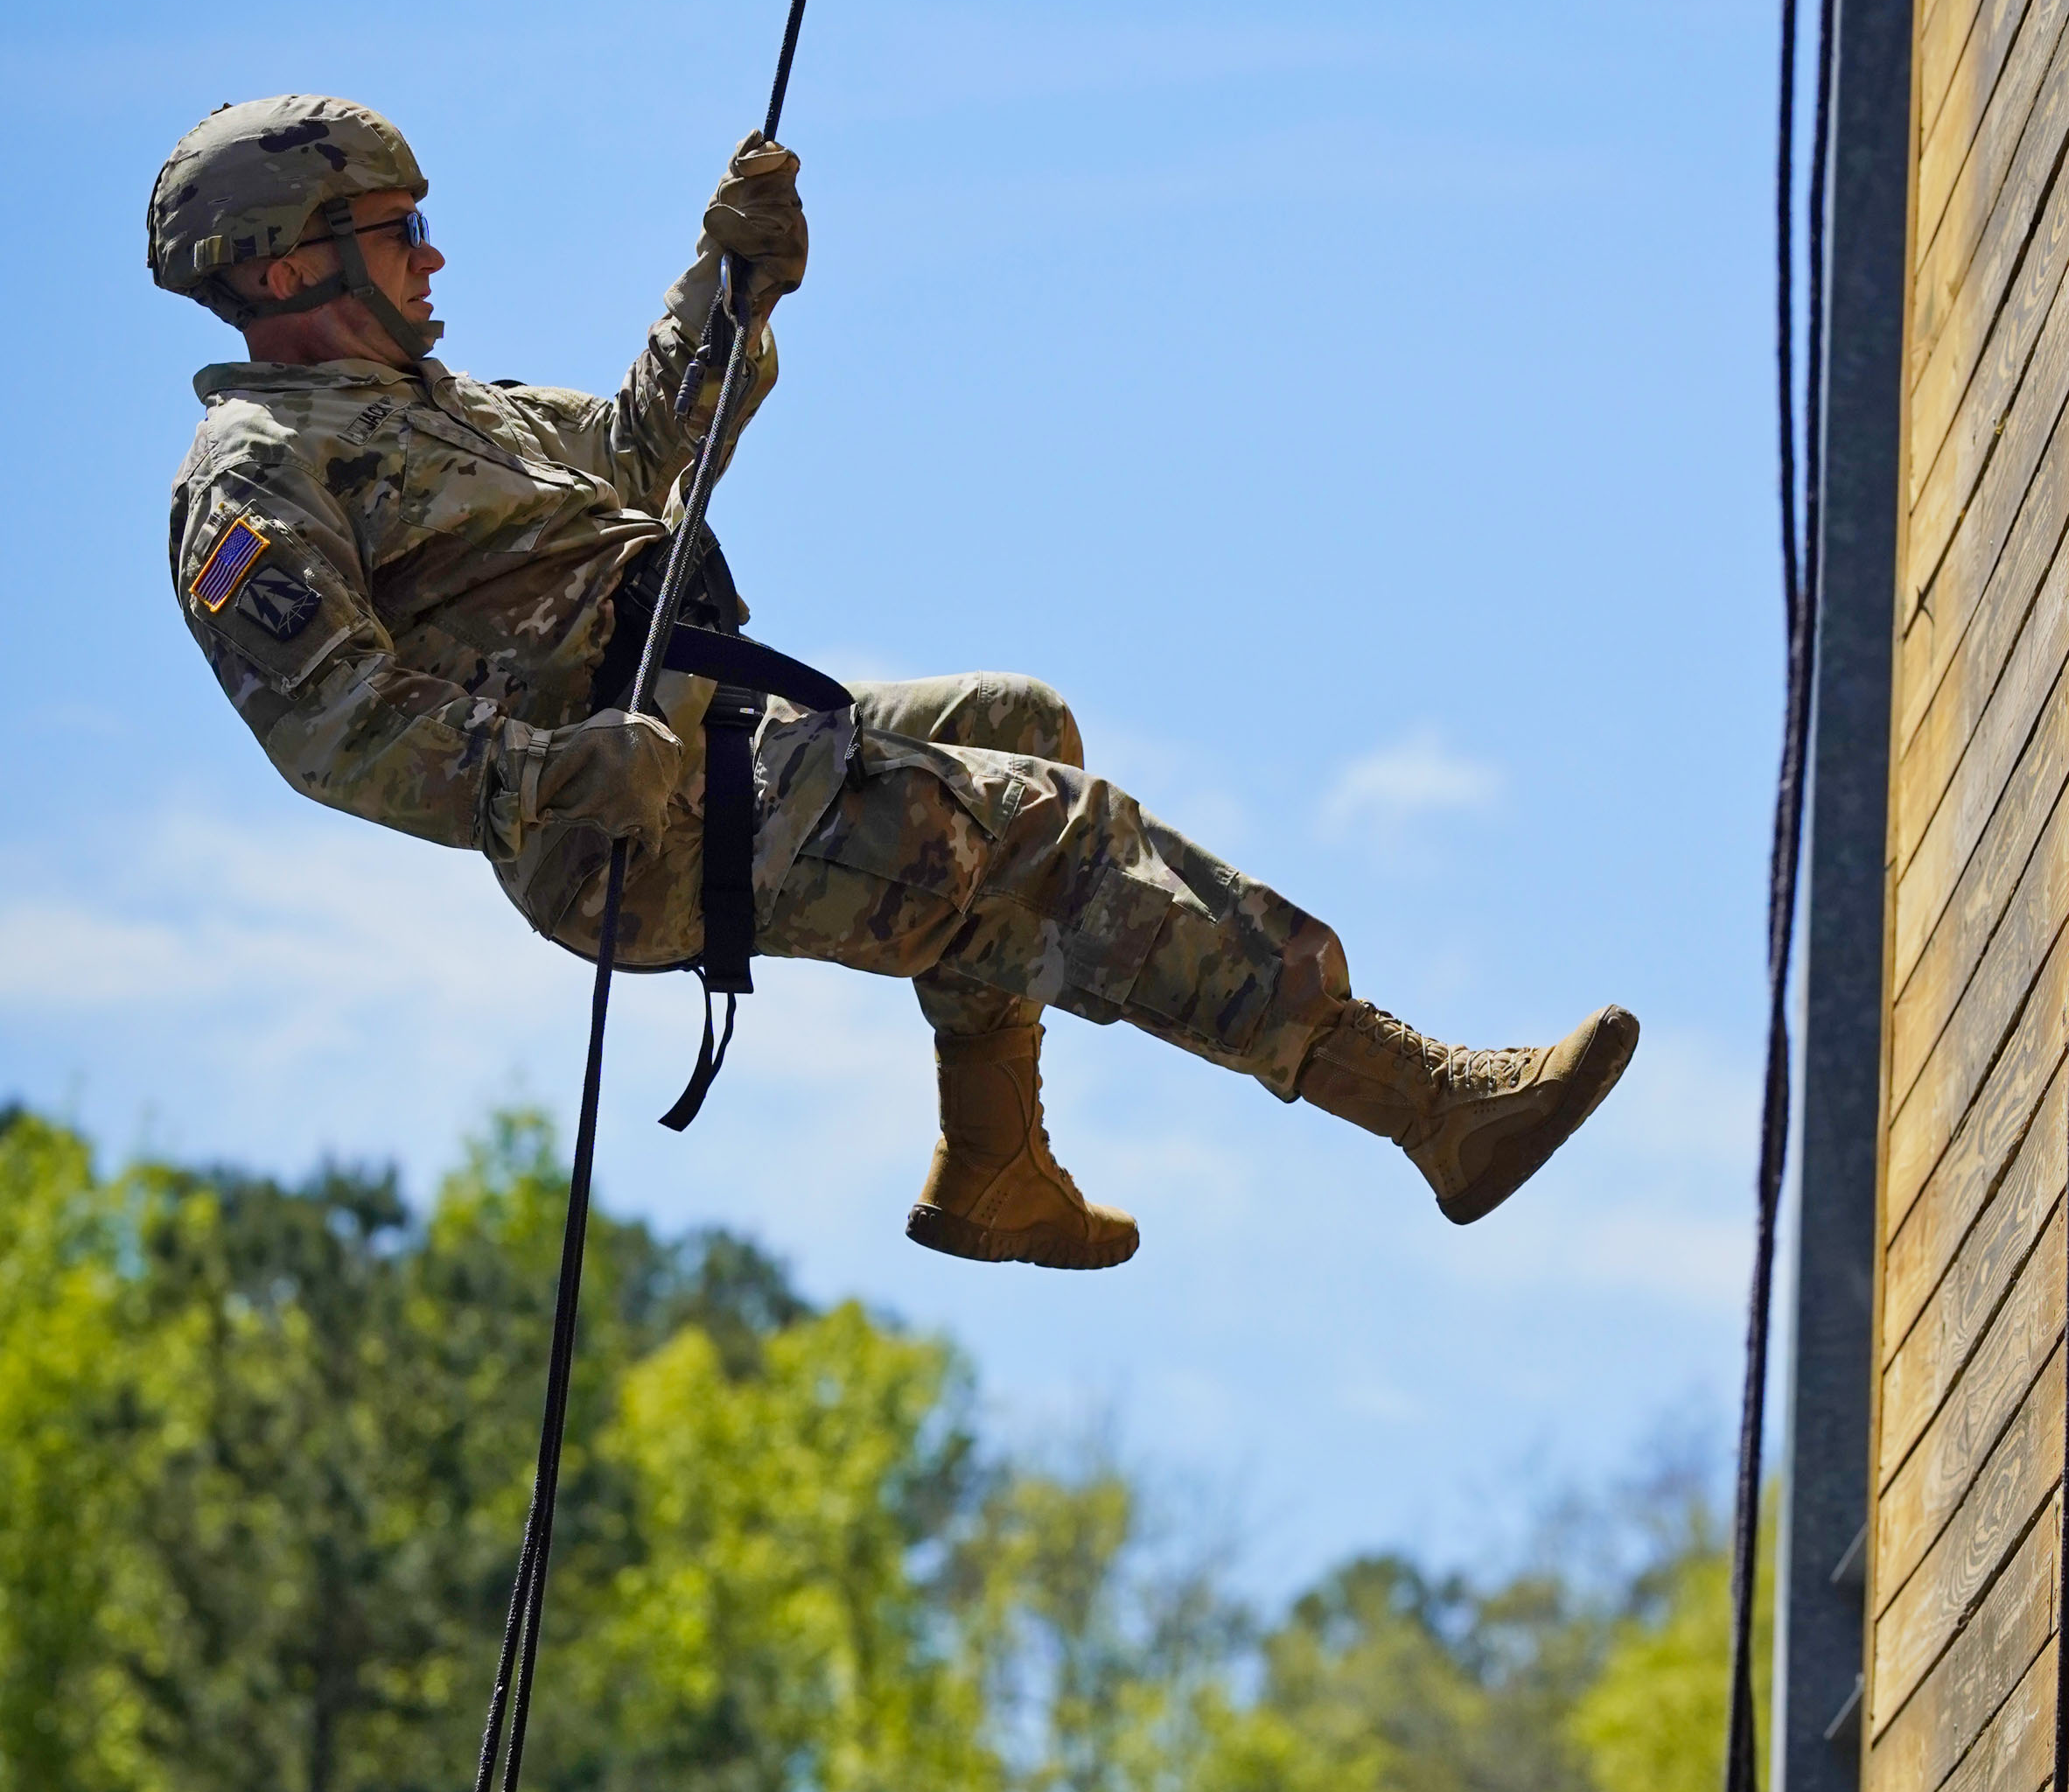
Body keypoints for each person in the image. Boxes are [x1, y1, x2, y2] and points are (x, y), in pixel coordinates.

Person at [152, 97, 1637, 1270]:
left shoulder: (444, 409)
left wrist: (726, 290)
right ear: (290, 266)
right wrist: (541, 777)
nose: (434, 256)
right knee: (1047, 830)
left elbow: (640, 450)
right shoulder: (258, 470)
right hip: (637, 829)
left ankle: (992, 1166)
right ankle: (1430, 1107)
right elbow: (329, 721)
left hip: (733, 746)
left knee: (1012, 726)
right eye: (401, 228)